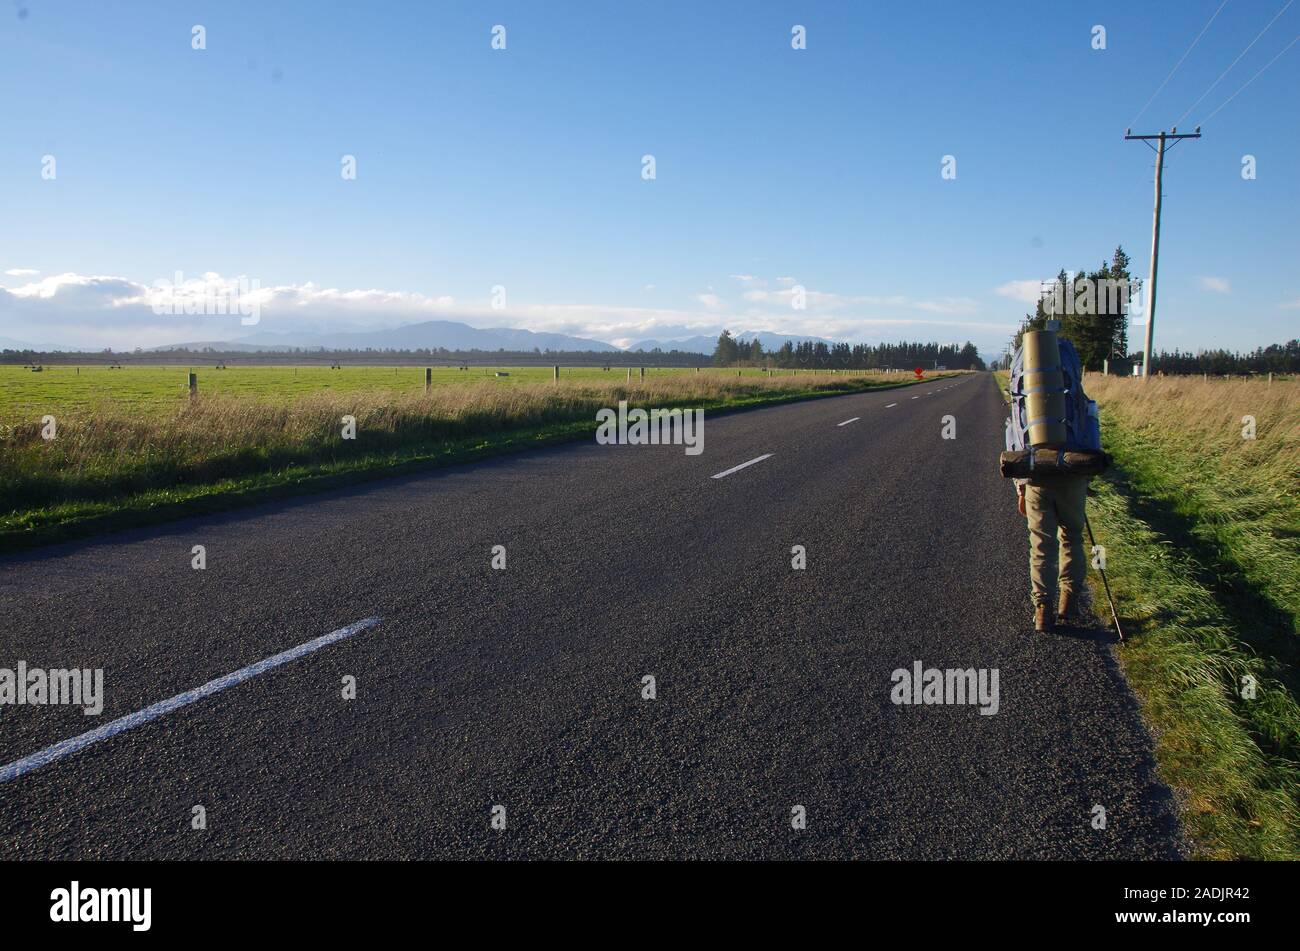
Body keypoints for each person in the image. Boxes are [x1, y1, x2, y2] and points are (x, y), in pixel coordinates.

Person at [1014, 472, 1089, 632]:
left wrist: (1020, 486)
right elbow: (1092, 448)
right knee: (1072, 538)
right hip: (1071, 481)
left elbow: (1016, 449)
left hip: (1036, 483)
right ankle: (1068, 602)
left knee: (1041, 546)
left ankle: (1043, 611)